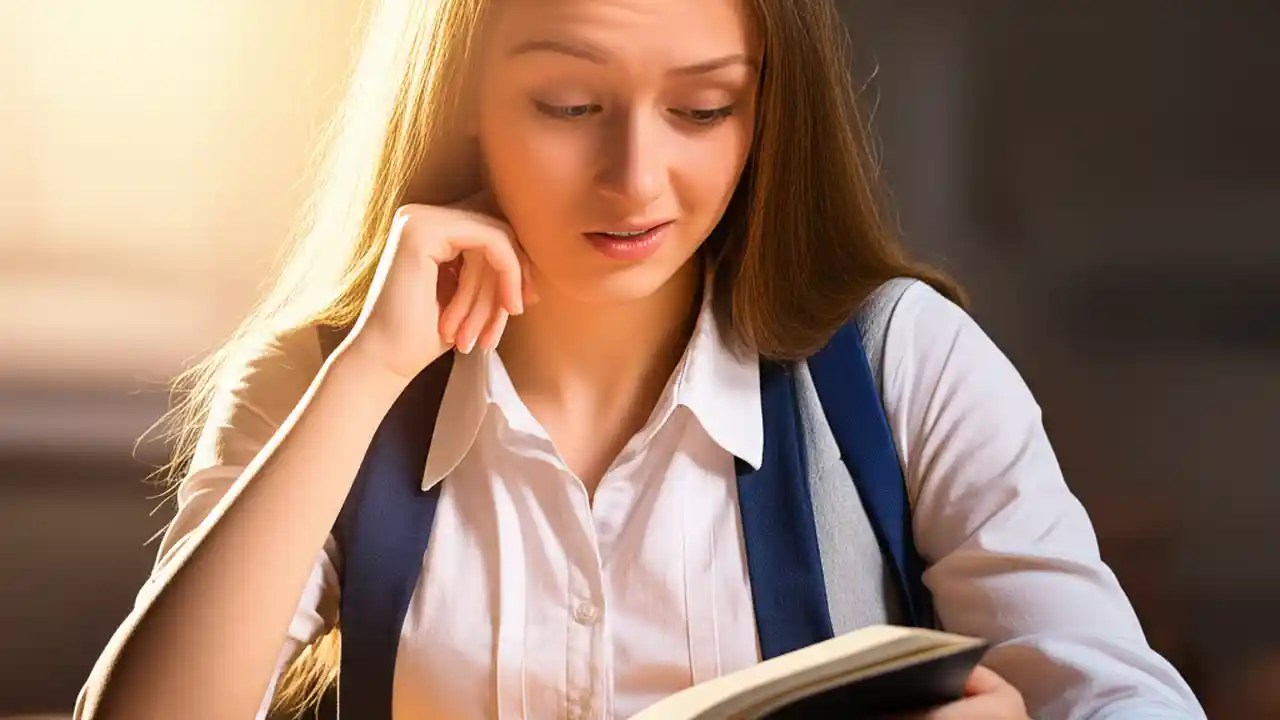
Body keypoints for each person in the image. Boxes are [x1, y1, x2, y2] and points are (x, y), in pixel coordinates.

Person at [74, 0, 1206, 718]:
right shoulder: (323, 380)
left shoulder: (904, 364)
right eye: (569, 104)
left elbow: (1117, 698)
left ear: (767, 111)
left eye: (703, 109)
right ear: (465, 97)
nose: (635, 178)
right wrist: (367, 372)